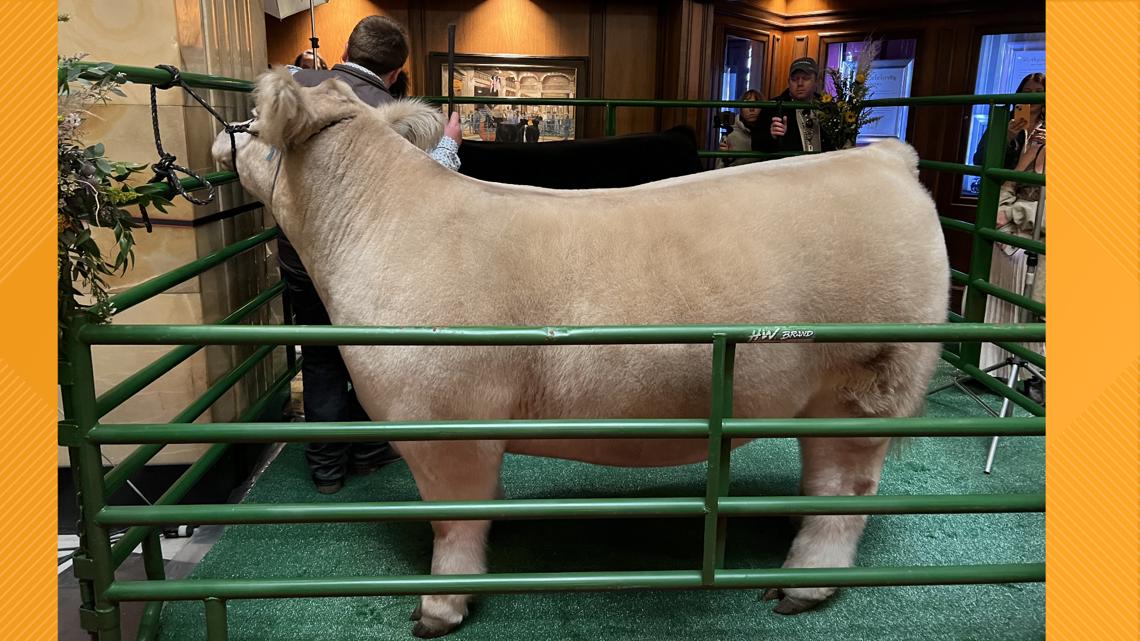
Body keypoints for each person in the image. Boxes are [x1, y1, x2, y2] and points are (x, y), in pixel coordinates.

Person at [280, 16, 464, 494]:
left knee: (319, 356)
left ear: (346, 48)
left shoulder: (294, 86)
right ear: (396, 72)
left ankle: (325, 469)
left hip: (300, 254)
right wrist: (449, 145)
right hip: (369, 263)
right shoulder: (397, 113)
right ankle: (367, 450)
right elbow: (421, 189)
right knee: (372, 353)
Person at [979, 84, 1046, 403]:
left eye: (1041, 91)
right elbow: (985, 163)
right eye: (1029, 89)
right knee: (995, 266)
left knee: (1026, 280)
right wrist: (1012, 143)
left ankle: (1033, 370)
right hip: (1007, 215)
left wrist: (1012, 213)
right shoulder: (1008, 127)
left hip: (1032, 226)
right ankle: (988, 366)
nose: (1034, 96)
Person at [751, 57, 835, 156]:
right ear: (788, 81)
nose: (799, 83)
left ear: (816, 81)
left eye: (806, 78)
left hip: (823, 168)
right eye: (794, 79)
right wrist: (771, 136)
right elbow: (756, 145)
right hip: (788, 168)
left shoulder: (827, 107)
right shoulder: (773, 107)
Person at [972, 72, 1046, 169]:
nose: (1032, 97)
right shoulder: (1003, 121)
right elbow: (978, 160)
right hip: (1003, 181)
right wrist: (1006, 138)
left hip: (1037, 182)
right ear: (1019, 95)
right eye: (1027, 92)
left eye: (1039, 92)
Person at [715, 89, 763, 168]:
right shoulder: (730, 134)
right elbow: (719, 168)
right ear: (741, 109)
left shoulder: (768, 134)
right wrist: (725, 157)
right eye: (747, 103)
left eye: (756, 103)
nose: (752, 108)